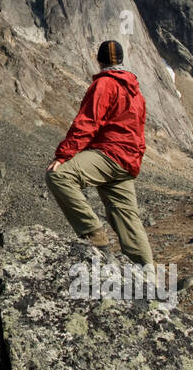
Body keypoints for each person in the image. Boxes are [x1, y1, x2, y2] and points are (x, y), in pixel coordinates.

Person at [45, 40, 154, 266]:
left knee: (59, 176)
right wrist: (135, 160)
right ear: (122, 60)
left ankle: (93, 233)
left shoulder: (104, 84)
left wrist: (63, 156)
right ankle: (148, 278)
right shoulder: (135, 90)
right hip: (127, 162)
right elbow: (139, 128)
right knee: (128, 220)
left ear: (99, 60)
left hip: (109, 154)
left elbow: (88, 123)